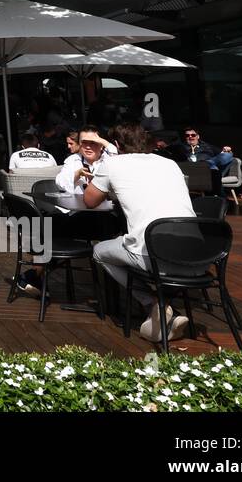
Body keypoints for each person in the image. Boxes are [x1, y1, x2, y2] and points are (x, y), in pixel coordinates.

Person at [86, 122, 197, 344]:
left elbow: (89, 201)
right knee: (131, 245)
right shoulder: (170, 164)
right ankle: (165, 315)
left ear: (116, 144)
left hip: (154, 253)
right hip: (197, 256)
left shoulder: (113, 164)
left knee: (99, 251)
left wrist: (110, 189)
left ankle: (152, 302)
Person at [158, 126, 235, 196]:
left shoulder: (207, 146)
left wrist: (227, 150)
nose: (190, 137)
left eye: (193, 135)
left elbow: (224, 154)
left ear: (198, 136)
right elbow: (166, 149)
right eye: (187, 135)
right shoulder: (179, 147)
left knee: (225, 156)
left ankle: (207, 164)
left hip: (208, 169)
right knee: (212, 167)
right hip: (190, 170)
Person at [53, 125, 115, 193]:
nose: (88, 147)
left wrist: (105, 142)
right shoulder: (73, 159)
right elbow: (59, 183)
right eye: (84, 142)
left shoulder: (109, 159)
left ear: (101, 144)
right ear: (79, 143)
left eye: (93, 142)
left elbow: (118, 159)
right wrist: (77, 174)